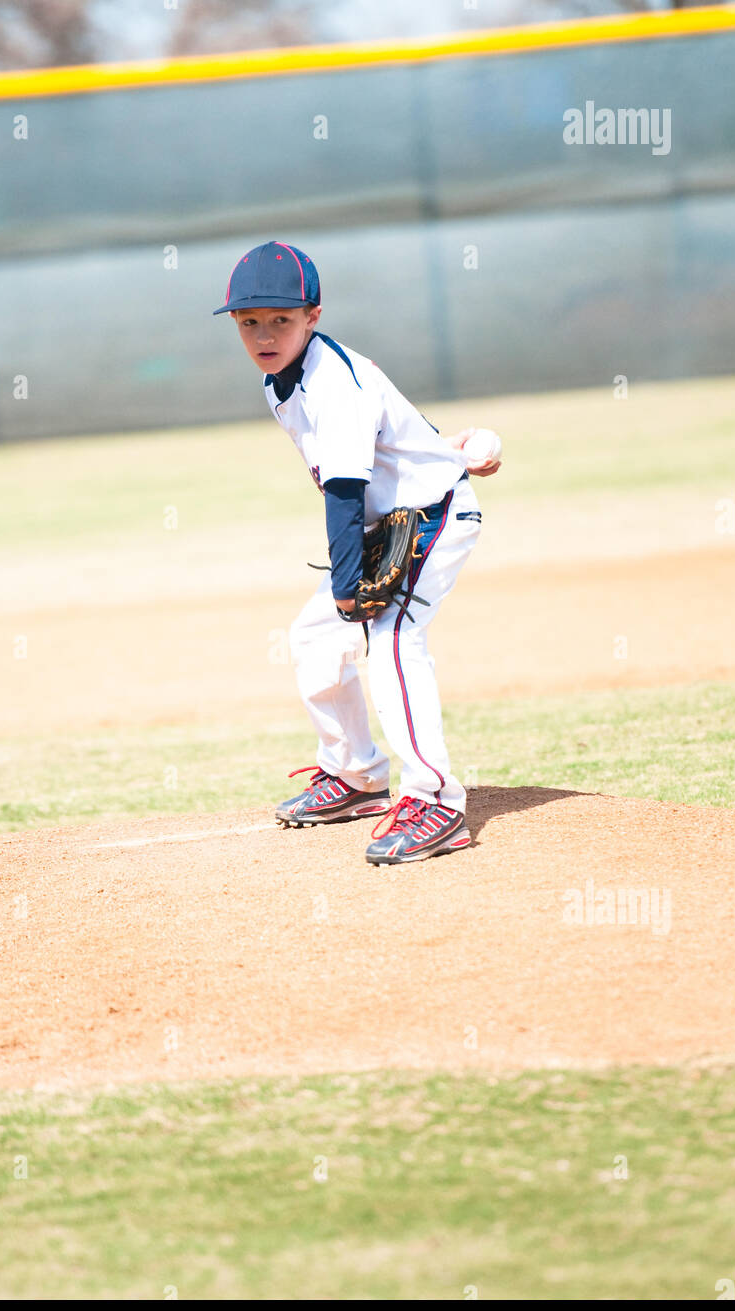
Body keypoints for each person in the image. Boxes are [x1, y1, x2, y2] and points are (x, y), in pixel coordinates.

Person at [213, 241, 502, 864]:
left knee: (394, 638)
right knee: (315, 637)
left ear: (312, 316)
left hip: (434, 520)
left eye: (281, 320)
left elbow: (343, 491)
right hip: (390, 520)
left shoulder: (332, 384)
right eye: (249, 322)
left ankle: (436, 801)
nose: (264, 334)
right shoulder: (280, 377)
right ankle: (357, 775)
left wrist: (348, 582)